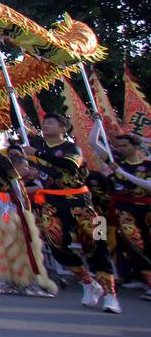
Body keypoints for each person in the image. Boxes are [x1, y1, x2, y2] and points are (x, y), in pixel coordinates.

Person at [25, 111, 120, 313]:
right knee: (54, 242)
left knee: (97, 244)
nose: (46, 125)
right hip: (51, 203)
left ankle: (110, 294)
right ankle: (87, 282)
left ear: (63, 128)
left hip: (82, 202)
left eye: (50, 122)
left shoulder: (70, 147)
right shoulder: (36, 148)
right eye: (44, 122)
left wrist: (37, 154)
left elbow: (70, 164)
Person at [0, 129, 54, 296]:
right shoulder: (2, 159)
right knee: (19, 241)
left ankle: (2, 282)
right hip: (7, 201)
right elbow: (15, 182)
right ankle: (29, 284)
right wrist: (23, 203)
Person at [102, 130, 151, 300]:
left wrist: (123, 174)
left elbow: (148, 186)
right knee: (134, 244)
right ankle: (147, 281)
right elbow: (94, 144)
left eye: (125, 145)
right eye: (118, 146)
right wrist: (96, 122)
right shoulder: (117, 164)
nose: (121, 149)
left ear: (136, 146)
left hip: (147, 209)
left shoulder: (148, 165)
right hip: (125, 211)